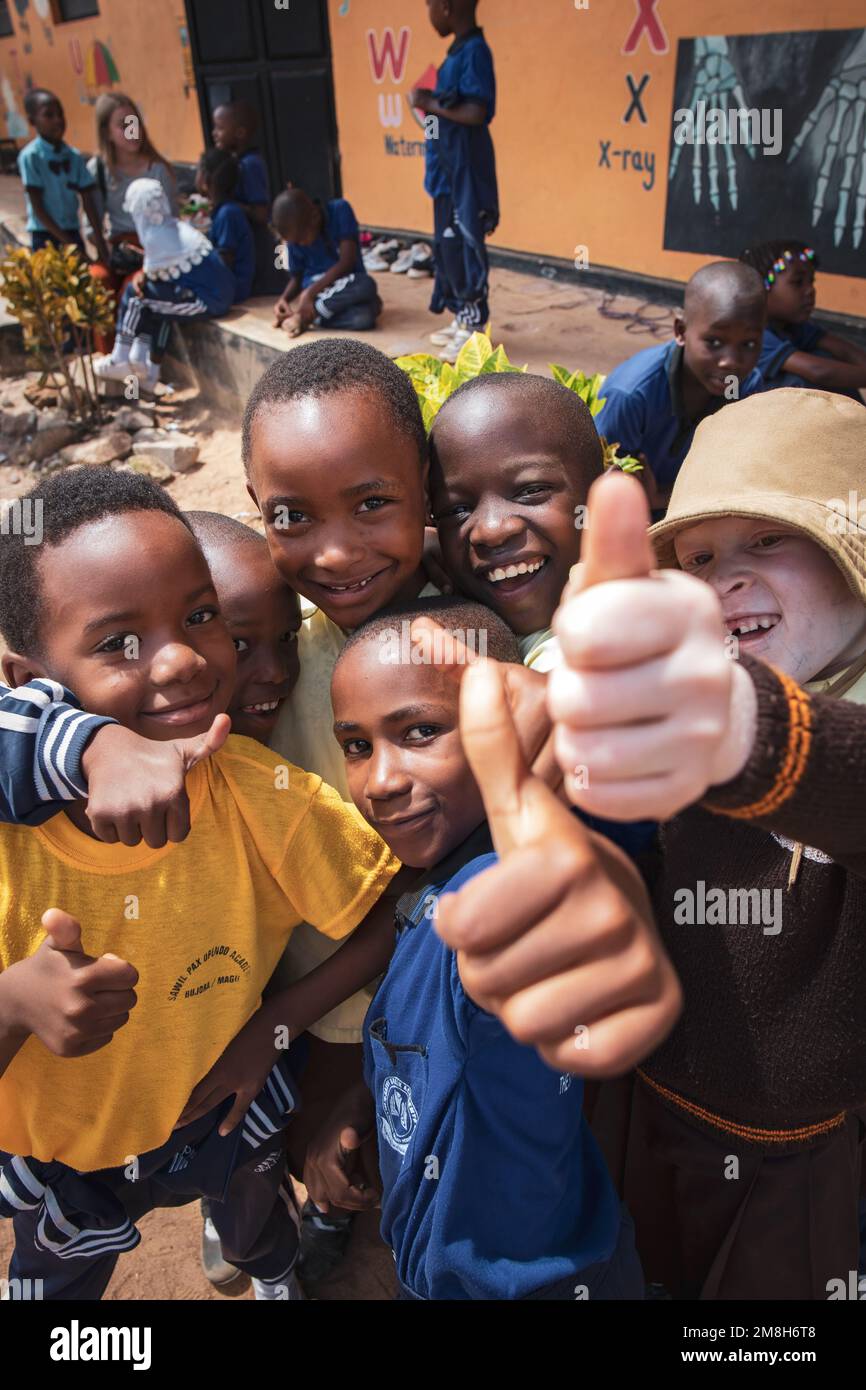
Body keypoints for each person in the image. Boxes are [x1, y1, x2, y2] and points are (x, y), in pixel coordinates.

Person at [0, 468, 405, 1301]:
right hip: (62, 1151)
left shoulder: (263, 798)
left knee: (261, 1229)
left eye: (198, 617)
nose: (185, 660)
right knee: (55, 1279)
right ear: (24, 677)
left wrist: (276, 1030)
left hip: (223, 1115)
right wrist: (13, 1007)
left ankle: (273, 1276)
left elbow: (390, 915)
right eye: (119, 643)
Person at [547, 390, 866, 1298]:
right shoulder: (674, 716)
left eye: (769, 540)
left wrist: (743, 732)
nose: (725, 580)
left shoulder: (755, 724)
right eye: (698, 557)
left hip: (791, 1165)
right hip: (646, 1111)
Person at [300, 595, 680, 1300]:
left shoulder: (500, 896)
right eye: (357, 745)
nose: (379, 781)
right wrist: (368, 1096)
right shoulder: (427, 892)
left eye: (419, 731)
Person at [594, 261, 766, 513]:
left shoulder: (748, 385)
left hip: (694, 505)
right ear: (681, 331)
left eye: (749, 344)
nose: (731, 361)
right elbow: (597, 484)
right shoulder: (631, 395)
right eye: (714, 341)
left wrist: (663, 498)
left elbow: (739, 473)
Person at [409, 0, 498, 363]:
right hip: (447, 171)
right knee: (447, 245)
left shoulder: (475, 52)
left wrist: (428, 102)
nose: (428, 13)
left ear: (445, 7)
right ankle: (462, 314)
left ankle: (475, 324)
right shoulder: (456, 53)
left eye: (429, 5)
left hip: (466, 171)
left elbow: (478, 111)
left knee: (466, 243)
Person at [93, 178, 235, 392]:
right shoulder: (172, 227)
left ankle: (121, 357)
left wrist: (142, 278)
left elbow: (145, 280)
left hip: (209, 301)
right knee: (156, 305)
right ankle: (147, 370)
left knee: (134, 295)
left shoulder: (156, 236)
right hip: (217, 295)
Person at [739, 239, 866, 401]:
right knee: (798, 384)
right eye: (797, 282)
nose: (810, 290)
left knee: (826, 358)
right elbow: (819, 371)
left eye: (811, 281)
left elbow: (844, 350)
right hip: (750, 409)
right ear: (762, 288)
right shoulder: (752, 333)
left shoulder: (793, 326)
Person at [86, 92, 177, 290]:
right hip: (117, 248)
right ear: (107, 133)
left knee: (134, 289)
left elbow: (172, 223)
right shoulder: (98, 169)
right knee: (95, 284)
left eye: (135, 123)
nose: (133, 131)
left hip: (153, 250)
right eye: (123, 126)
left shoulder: (158, 169)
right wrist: (110, 252)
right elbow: (91, 227)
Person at [271, 189, 381, 336]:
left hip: (345, 286)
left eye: (301, 240)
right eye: (294, 242)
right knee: (365, 309)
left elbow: (347, 262)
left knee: (366, 296)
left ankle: (310, 316)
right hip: (319, 296)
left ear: (314, 217)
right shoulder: (295, 239)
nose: (299, 245)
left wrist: (309, 293)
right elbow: (296, 278)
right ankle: (306, 315)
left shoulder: (340, 210)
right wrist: (283, 299)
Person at [17, 88, 108, 263]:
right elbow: (38, 208)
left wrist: (101, 245)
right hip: (45, 235)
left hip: (72, 230)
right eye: (49, 115)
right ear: (32, 121)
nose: (58, 120)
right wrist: (68, 243)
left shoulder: (73, 156)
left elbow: (88, 201)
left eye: (60, 114)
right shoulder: (31, 157)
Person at [211, 99, 285, 296]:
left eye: (219, 128)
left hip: (257, 247)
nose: (214, 133)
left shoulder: (250, 165)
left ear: (240, 133)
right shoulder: (234, 161)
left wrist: (227, 202)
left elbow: (261, 214)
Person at [196, 149, 255, 305]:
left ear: (206, 179)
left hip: (234, 289)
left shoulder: (228, 213)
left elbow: (224, 262)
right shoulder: (222, 211)